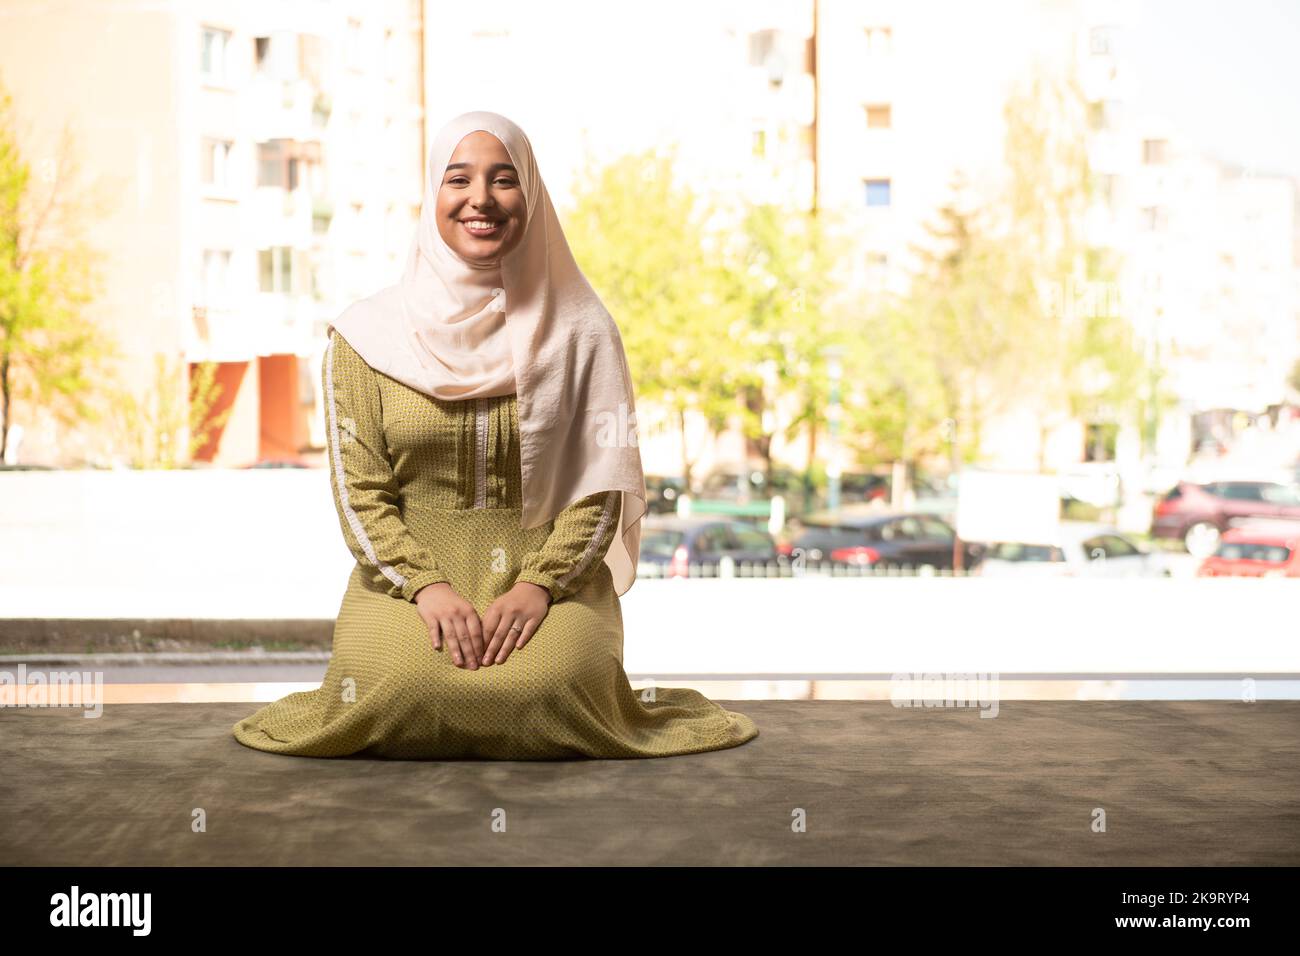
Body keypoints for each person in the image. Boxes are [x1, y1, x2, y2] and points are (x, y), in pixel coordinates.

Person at [232, 110, 759, 759]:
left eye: (504, 180)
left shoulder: (582, 331)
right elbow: (359, 494)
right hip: (404, 579)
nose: (480, 198)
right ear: (434, 194)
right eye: (459, 179)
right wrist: (428, 587)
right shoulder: (367, 337)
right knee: (400, 685)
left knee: (549, 686)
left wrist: (539, 586)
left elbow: (601, 490)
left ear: (530, 196)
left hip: (552, 578)